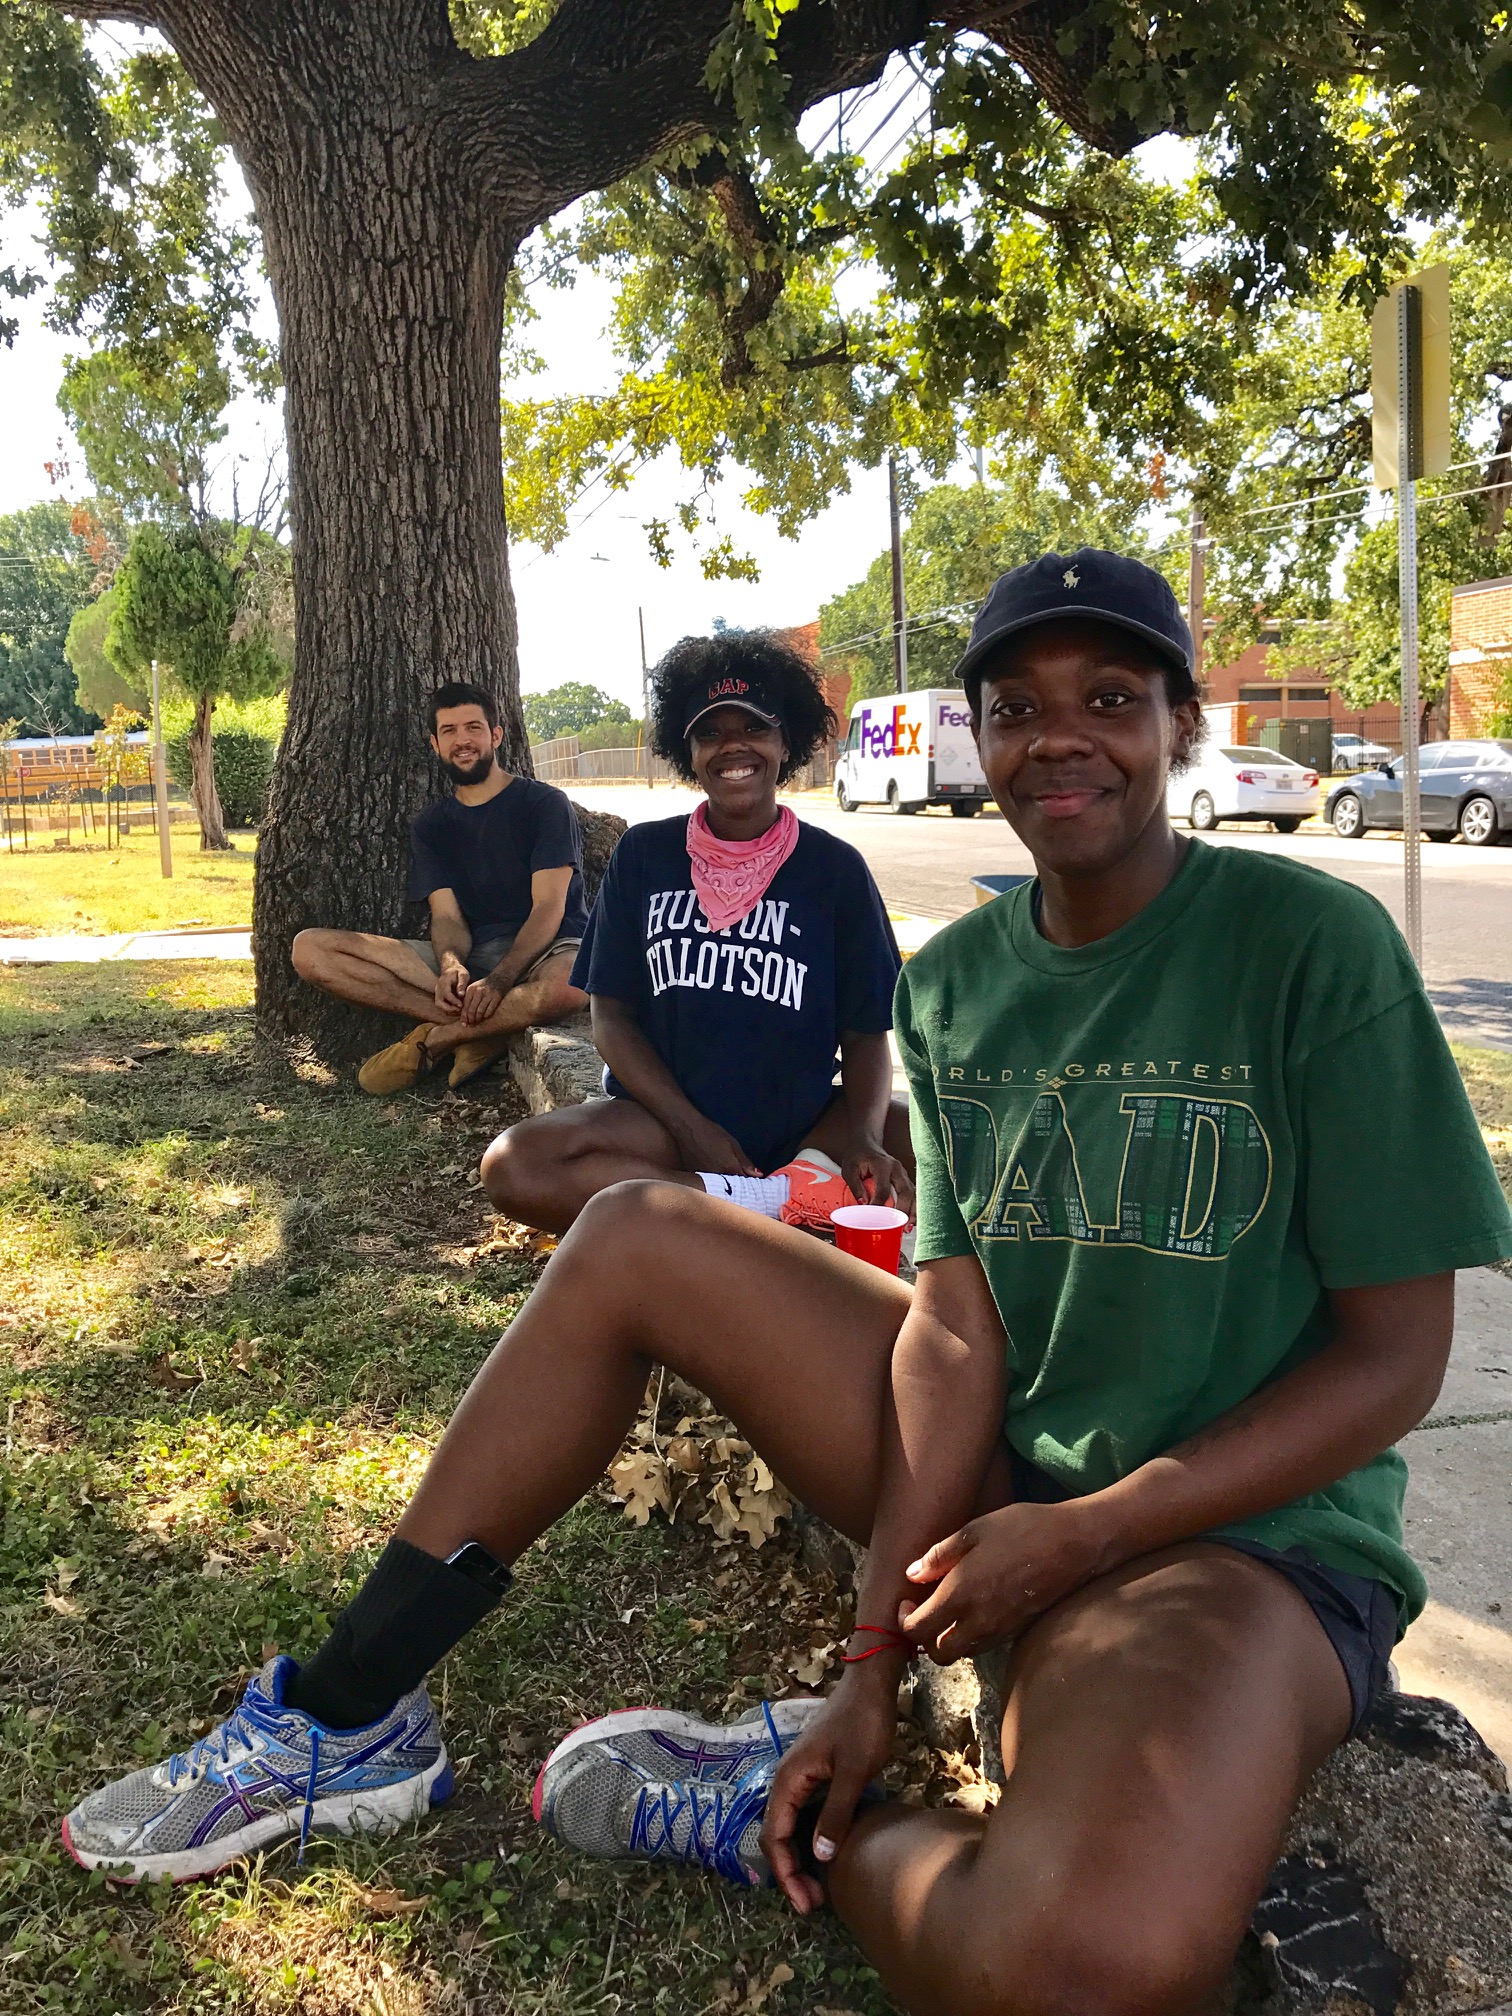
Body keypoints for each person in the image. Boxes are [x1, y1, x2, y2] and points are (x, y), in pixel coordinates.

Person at [65, 551, 1512, 2016]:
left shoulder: (1311, 950)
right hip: (1002, 1467)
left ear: (1180, 724)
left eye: (1112, 698)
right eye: (1017, 707)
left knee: (1083, 1970)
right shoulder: (961, 983)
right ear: (980, 737)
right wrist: (871, 1662)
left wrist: (1084, 1534)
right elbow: (954, 1332)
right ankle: (344, 1716)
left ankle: (799, 1823)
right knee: (630, 1231)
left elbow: (1393, 1360)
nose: (1061, 738)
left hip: (1239, 1541)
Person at [481, 631, 913, 1234]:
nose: (733, 746)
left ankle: (738, 1201)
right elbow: (611, 1018)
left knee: (942, 1136)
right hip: (664, 1125)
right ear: (688, 751)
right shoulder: (645, 854)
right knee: (516, 1164)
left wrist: (864, 1138)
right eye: (710, 732)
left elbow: (866, 1034)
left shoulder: (835, 869)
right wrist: (689, 1127)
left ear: (785, 741)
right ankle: (774, 1203)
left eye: (755, 727)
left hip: (807, 1124)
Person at [291, 682, 589, 1093]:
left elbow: (548, 909)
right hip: (475, 952)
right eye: (449, 731)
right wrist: (451, 966)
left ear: (496, 735)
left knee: (573, 984)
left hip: (547, 946)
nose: (462, 740)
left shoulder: (544, 804)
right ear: (435, 743)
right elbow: (447, 916)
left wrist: (499, 981)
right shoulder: (431, 825)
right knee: (311, 950)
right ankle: (482, 1029)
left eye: (473, 728)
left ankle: (437, 1039)